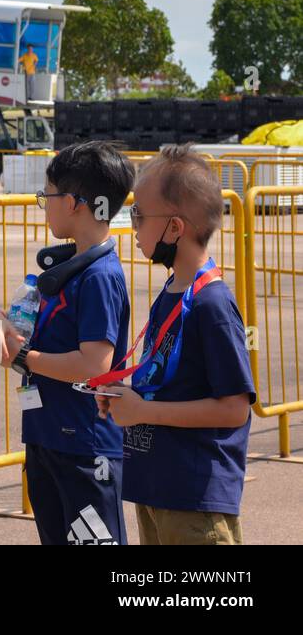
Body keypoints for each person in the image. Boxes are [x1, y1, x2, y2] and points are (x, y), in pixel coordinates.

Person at [96, 144, 255, 544]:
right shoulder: (173, 289)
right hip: (158, 486)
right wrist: (128, 399)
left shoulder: (212, 303)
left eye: (139, 215)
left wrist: (146, 409)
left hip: (194, 496)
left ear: (174, 228)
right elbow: (176, 381)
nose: (132, 225)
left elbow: (235, 408)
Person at [0, 141, 134, 544]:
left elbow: (94, 366)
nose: (45, 204)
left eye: (47, 196)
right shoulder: (70, 268)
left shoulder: (99, 276)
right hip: (48, 437)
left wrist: (22, 355)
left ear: (73, 202)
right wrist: (2, 325)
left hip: (83, 448)